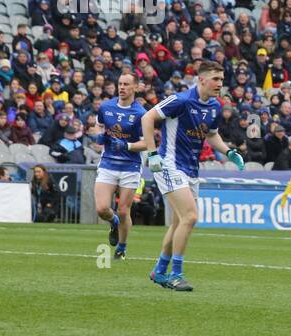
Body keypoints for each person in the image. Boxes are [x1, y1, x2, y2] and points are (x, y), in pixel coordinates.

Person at [131, 61, 244, 292]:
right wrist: (152, 153)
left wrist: (229, 152)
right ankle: (176, 274)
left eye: (222, 80)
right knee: (190, 217)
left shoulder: (215, 106)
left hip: (191, 169)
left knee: (178, 222)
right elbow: (147, 118)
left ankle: (160, 271)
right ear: (201, 79)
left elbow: (212, 136)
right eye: (215, 79)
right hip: (169, 166)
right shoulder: (181, 100)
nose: (220, 84)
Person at [90, 71, 145, 260]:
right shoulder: (106, 107)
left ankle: (121, 247)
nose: (122, 87)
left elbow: (147, 143)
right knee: (102, 209)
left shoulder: (141, 114)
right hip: (108, 163)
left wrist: (127, 145)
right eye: (120, 84)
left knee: (123, 210)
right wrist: (99, 135)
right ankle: (113, 223)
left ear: (135, 87)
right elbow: (98, 125)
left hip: (130, 166)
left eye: (126, 84)